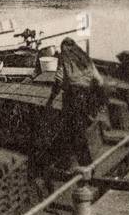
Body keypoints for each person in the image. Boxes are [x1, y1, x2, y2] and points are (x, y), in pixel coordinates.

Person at [43, 37, 104, 168]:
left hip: (72, 97)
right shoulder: (85, 59)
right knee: (72, 129)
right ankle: (65, 162)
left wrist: (51, 99)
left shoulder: (64, 57)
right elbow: (99, 81)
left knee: (75, 131)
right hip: (87, 97)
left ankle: (86, 166)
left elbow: (59, 79)